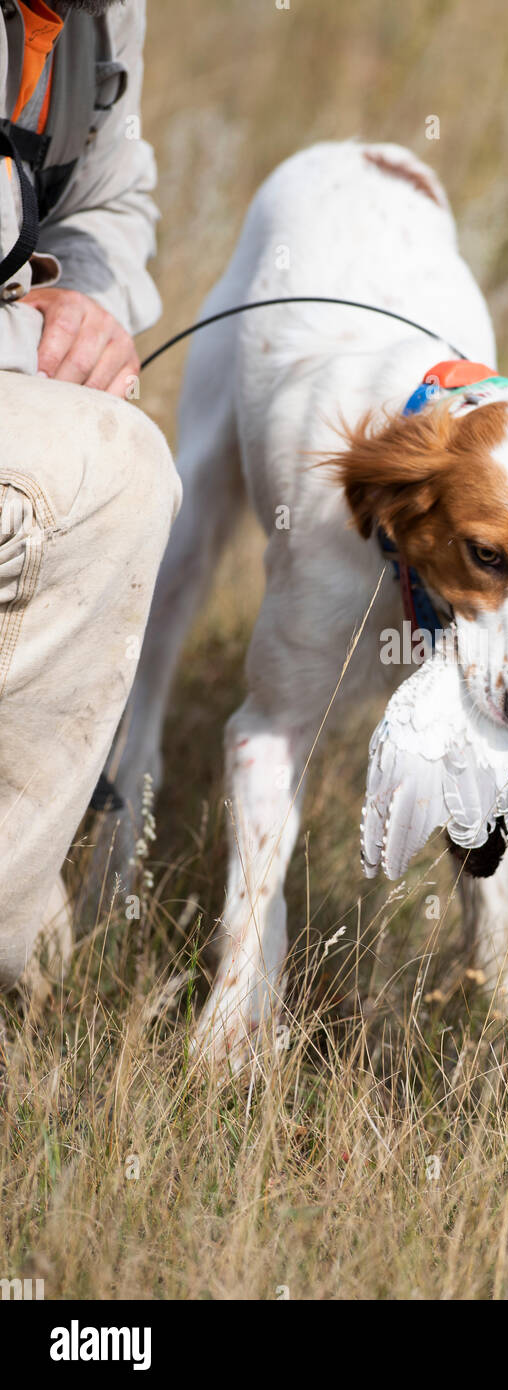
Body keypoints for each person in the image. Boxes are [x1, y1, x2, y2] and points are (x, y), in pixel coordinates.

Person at [0, 0, 180, 990]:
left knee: (121, 460)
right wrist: (39, 344)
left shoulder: (99, 15)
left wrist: (84, 295)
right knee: (110, 477)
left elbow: (113, 199)